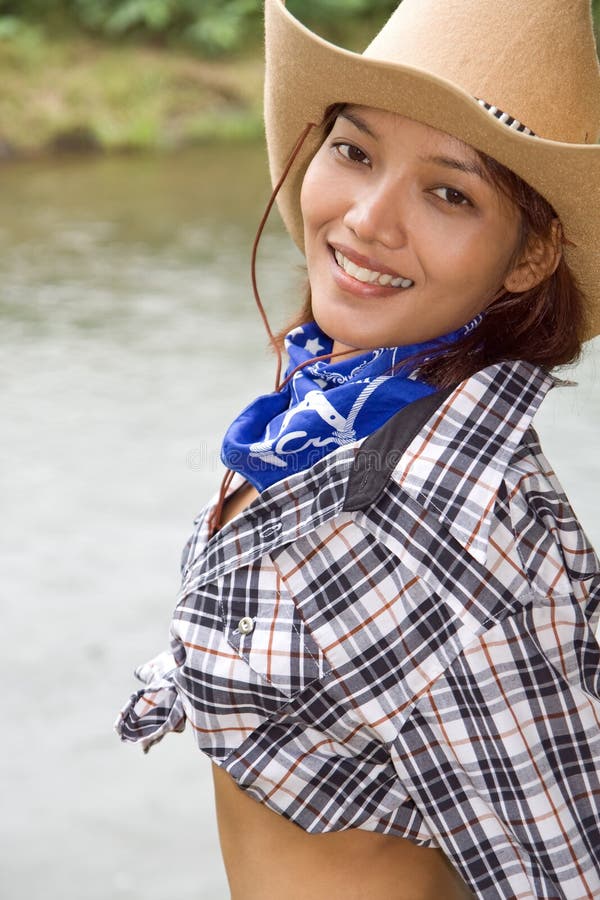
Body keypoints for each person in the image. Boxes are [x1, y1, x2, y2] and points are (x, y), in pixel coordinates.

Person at [116, 0, 600, 897]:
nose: (369, 220)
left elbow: (566, 874)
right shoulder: (329, 407)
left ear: (531, 257)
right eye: (355, 151)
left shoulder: (470, 541)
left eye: (451, 192)